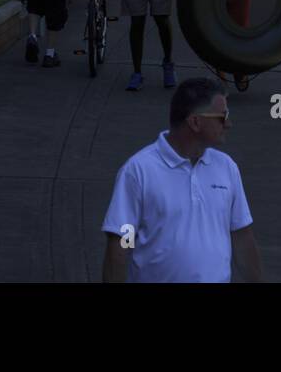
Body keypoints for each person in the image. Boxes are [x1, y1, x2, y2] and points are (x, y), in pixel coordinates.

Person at [102, 77, 262, 282]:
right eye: (222, 117)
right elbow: (121, 243)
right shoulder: (139, 171)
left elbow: (242, 236)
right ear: (195, 122)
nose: (229, 124)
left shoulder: (226, 167)